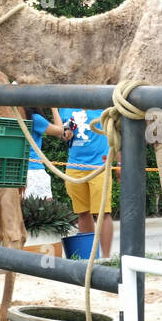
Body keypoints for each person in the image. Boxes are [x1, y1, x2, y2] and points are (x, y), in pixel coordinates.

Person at [59, 107, 114, 257]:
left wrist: (119, 163)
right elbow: (63, 131)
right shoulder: (64, 107)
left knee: (103, 212)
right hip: (75, 165)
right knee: (82, 212)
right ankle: (91, 257)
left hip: (98, 165)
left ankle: (106, 257)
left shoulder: (102, 104)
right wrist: (66, 134)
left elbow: (117, 132)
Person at [22, 108, 65, 200]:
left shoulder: (15, 118)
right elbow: (60, 131)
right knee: (44, 210)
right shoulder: (35, 119)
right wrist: (54, 109)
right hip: (34, 171)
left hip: (17, 172)